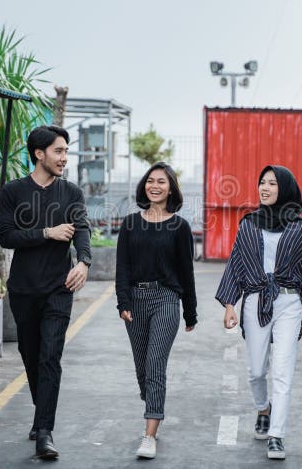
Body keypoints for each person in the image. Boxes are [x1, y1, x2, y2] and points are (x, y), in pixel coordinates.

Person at [215, 165, 302, 460]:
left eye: (272, 184)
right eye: (262, 183)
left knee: (283, 370)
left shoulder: (298, 227)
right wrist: (230, 304)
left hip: (289, 302)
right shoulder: (248, 224)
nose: (264, 188)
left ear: (285, 188)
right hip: (255, 300)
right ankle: (264, 409)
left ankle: (277, 435)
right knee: (256, 370)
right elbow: (236, 264)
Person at [0, 125, 91, 460]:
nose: (64, 158)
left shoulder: (71, 193)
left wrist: (84, 262)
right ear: (39, 153)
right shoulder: (13, 191)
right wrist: (46, 232)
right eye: (58, 151)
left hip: (58, 288)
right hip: (23, 289)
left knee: (50, 356)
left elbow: (82, 229)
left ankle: (45, 432)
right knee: (30, 353)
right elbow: (6, 236)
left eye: (66, 151)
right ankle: (42, 415)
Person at [115, 162, 197, 459]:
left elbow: (186, 272)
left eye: (162, 181)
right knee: (142, 370)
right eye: (150, 181)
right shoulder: (130, 224)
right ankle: (152, 402)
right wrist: (123, 302)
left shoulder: (180, 227)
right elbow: (121, 267)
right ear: (144, 186)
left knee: (154, 366)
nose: (155, 186)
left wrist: (190, 312)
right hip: (135, 300)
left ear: (171, 188)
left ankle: (149, 434)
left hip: (166, 298)